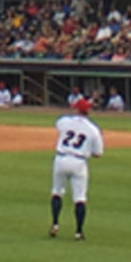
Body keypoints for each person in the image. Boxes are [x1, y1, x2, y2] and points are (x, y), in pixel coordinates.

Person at [49, 96, 103, 240]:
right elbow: (98, 153)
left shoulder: (64, 121)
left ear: (76, 109)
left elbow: (59, 126)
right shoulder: (93, 129)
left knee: (57, 192)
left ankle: (55, 224)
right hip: (79, 162)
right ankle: (78, 232)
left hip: (60, 158)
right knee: (79, 198)